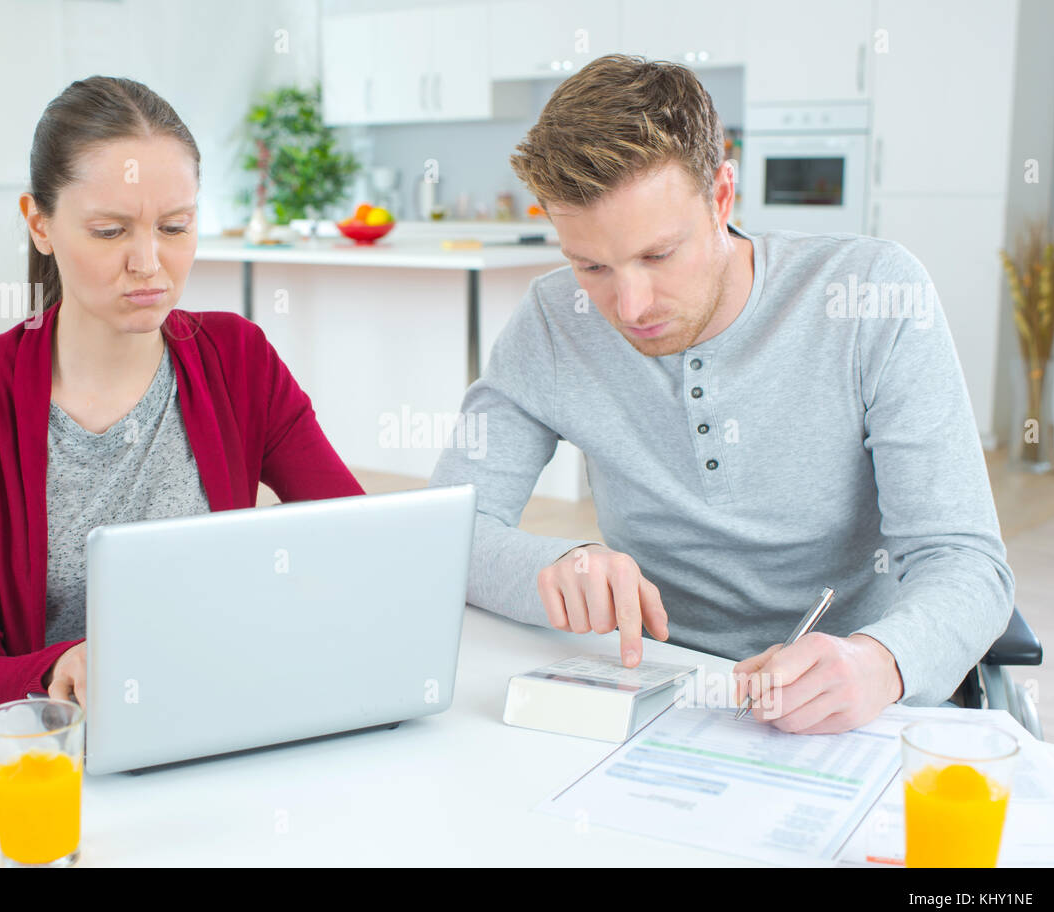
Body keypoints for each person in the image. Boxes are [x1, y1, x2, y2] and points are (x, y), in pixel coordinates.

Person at [430, 55, 1015, 734]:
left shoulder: (872, 296)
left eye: (658, 255)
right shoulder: (555, 321)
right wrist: (555, 564)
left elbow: (966, 563)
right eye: (591, 265)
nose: (630, 304)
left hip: (857, 710)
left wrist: (880, 660)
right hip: (660, 693)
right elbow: (449, 534)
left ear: (722, 197)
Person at [0, 76, 363, 744]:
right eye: (110, 231)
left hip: (209, 725)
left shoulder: (239, 359)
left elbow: (356, 542)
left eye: (175, 227)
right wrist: (64, 663)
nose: (150, 263)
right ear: (40, 224)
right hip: (35, 752)